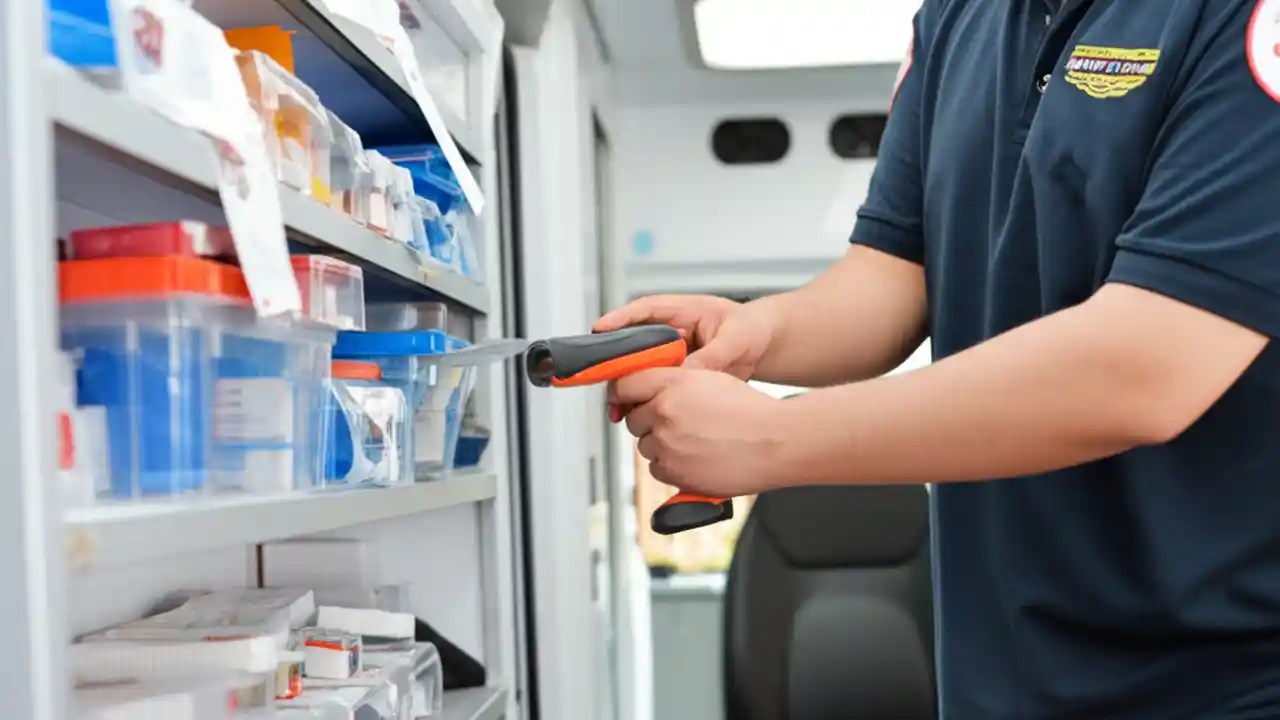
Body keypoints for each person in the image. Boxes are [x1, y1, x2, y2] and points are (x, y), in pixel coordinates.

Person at [597, 0, 1280, 716]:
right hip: (999, 683)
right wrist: (752, 332)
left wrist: (772, 438)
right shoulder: (956, 18)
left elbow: (1148, 367)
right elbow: (894, 274)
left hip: (1225, 687)